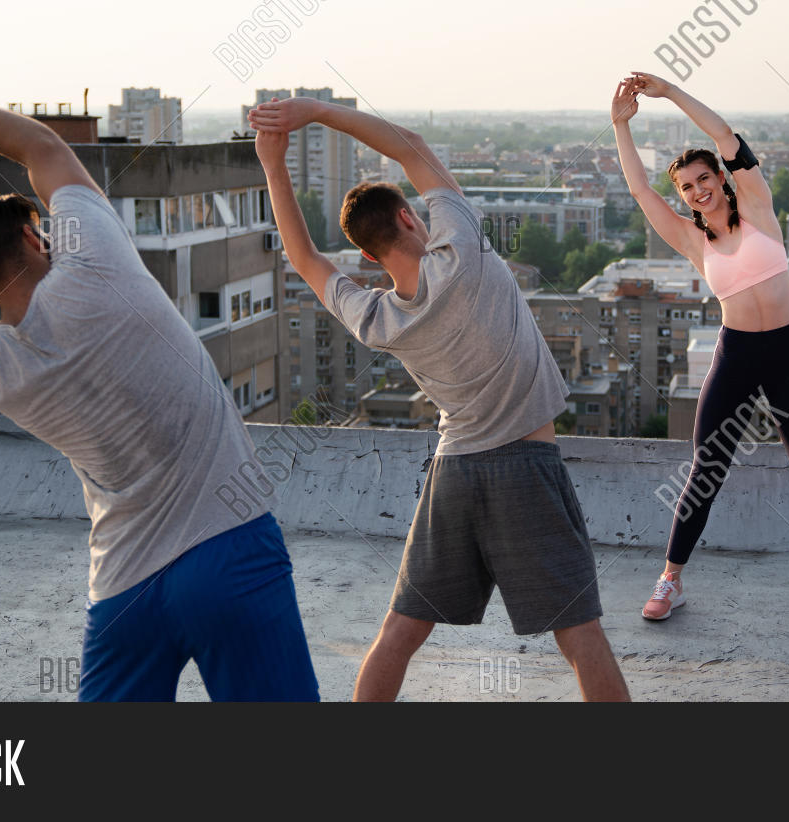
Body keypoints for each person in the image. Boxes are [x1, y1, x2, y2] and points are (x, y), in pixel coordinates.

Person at [0, 80, 318, 701]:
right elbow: (41, 148)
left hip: (124, 587)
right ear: (32, 238)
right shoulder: (97, 266)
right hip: (229, 549)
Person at [247, 96, 630, 701]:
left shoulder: (378, 319)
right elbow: (412, 147)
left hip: (453, 473)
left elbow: (304, 257)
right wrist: (315, 110)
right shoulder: (464, 253)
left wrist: (273, 163)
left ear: (367, 254)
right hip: (524, 467)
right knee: (580, 634)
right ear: (409, 217)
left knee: (400, 631)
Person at [611, 74, 789, 629]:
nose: (697, 190)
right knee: (706, 470)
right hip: (736, 357)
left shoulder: (756, 208)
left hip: (788, 354)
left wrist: (671, 93)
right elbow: (640, 192)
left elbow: (725, 134)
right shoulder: (692, 240)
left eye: (704, 178)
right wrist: (620, 126)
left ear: (722, 179)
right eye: (687, 187)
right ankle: (671, 579)